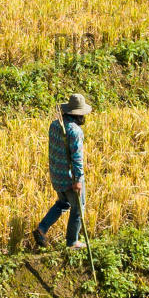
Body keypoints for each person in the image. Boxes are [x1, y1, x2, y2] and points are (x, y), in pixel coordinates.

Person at [34, 93, 92, 250]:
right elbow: (77, 158)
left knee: (63, 203)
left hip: (56, 175)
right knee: (78, 208)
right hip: (70, 178)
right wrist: (78, 180)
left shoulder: (54, 125)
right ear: (79, 115)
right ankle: (72, 242)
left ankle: (42, 228)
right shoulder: (75, 131)